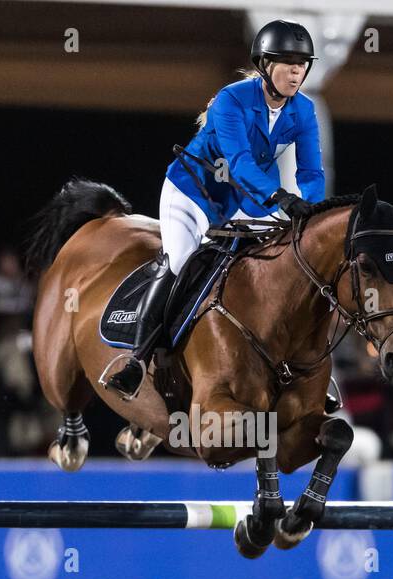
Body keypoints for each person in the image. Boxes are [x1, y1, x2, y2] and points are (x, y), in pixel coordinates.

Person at [103, 19, 327, 399]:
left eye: (303, 63)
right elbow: (240, 164)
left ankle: (305, 369)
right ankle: (138, 359)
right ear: (264, 65)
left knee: (278, 265)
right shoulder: (232, 100)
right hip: (191, 193)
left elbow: (311, 171)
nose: (296, 71)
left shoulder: (303, 111)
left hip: (239, 201)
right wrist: (281, 199)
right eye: (287, 62)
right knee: (183, 264)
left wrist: (314, 215)